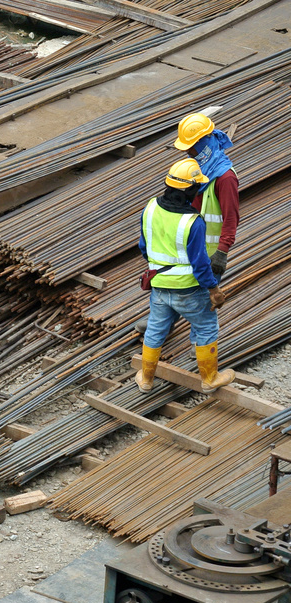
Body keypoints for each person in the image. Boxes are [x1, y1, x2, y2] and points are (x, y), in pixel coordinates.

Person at [135, 158, 234, 394]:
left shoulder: (150, 208)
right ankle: (209, 379)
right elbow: (201, 265)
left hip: (159, 285)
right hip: (189, 290)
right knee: (207, 327)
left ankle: (146, 379)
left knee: (156, 329)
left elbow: (143, 247)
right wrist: (213, 290)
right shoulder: (193, 222)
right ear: (190, 190)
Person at [174, 112, 239, 280]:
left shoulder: (225, 178)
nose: (188, 151)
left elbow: (231, 217)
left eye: (190, 146)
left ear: (203, 143)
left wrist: (222, 251)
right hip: (190, 250)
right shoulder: (195, 169)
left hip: (208, 258)